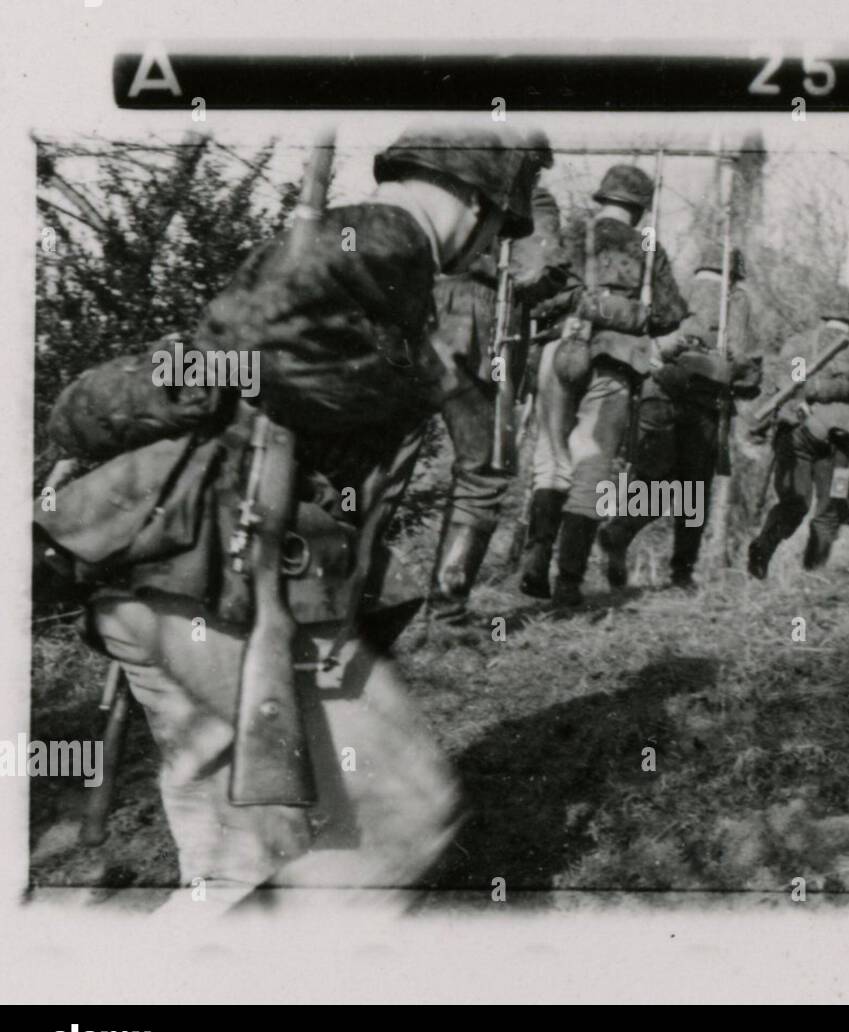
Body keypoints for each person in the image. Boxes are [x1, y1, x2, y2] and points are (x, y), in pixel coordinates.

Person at [34, 125, 548, 904]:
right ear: (477, 203)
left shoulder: (351, 248)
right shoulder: (387, 242)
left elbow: (238, 357)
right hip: (229, 576)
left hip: (154, 578)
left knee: (235, 857)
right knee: (399, 822)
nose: (490, 249)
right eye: (499, 228)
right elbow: (243, 361)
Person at [518, 162, 688, 606]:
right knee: (591, 468)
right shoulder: (648, 248)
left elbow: (536, 290)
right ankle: (568, 583)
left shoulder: (573, 234)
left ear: (604, 198)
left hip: (559, 348)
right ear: (640, 208)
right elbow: (670, 314)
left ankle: (535, 562)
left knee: (550, 460)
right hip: (613, 360)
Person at [424, 169, 571, 635]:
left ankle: (351, 607)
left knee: (383, 459)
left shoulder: (435, 185)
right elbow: (538, 271)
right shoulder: (531, 201)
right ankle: (446, 615)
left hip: (409, 316)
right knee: (484, 468)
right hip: (481, 325)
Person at [596, 245, 762, 591]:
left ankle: (619, 532)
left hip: (655, 395)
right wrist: (748, 380)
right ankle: (682, 574)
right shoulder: (734, 300)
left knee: (656, 480)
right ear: (734, 275)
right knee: (694, 490)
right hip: (703, 403)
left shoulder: (676, 291)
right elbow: (742, 359)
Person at [746, 290, 849, 578]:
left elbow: (783, 388)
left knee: (794, 502)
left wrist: (759, 431)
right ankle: (812, 576)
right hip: (838, 443)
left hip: (795, 433)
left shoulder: (799, 342)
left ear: (825, 316)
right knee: (831, 508)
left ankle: (762, 550)